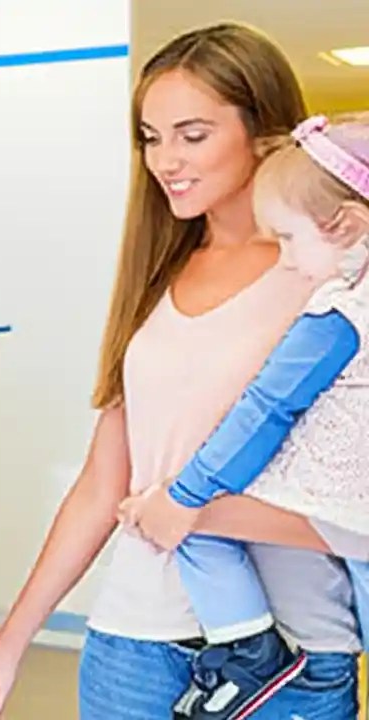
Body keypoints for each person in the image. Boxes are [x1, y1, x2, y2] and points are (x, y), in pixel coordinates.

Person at [0, 22, 363, 720]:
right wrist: (10, 643)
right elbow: (103, 483)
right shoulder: (156, 276)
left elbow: (354, 499)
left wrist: (194, 508)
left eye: (192, 134)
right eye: (150, 136)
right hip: (132, 648)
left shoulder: (329, 280)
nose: (164, 159)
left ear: (263, 132)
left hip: (292, 656)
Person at [120, 112, 369, 719]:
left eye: (287, 239)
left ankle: (245, 644)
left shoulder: (336, 312)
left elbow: (266, 407)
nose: (284, 260)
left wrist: (184, 493)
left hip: (327, 499)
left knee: (185, 519)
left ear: (349, 225)